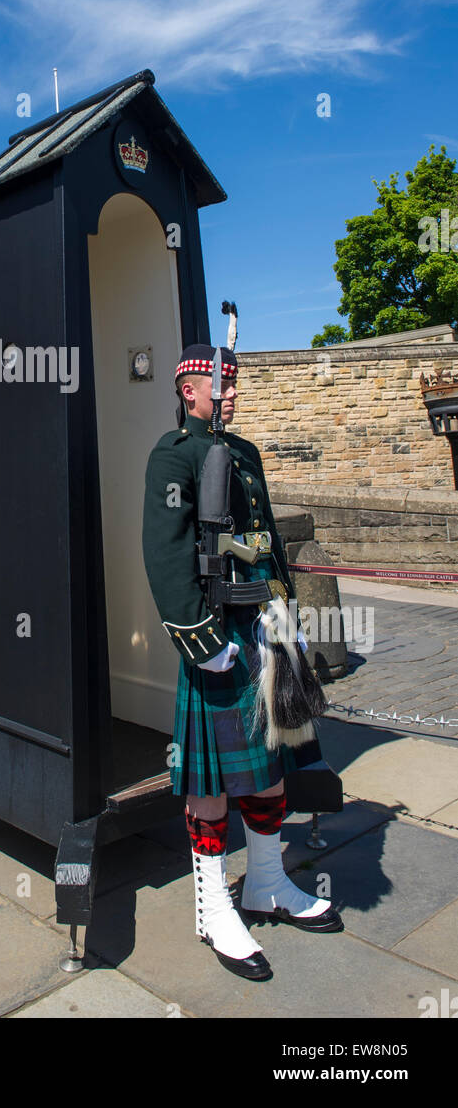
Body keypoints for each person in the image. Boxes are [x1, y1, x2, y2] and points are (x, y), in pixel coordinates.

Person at [142, 343, 343, 981]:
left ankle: (266, 882)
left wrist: (290, 623)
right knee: (211, 785)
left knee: (271, 769)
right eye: (219, 383)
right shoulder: (173, 456)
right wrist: (199, 641)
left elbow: (267, 543)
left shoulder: (246, 454)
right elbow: (165, 553)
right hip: (218, 633)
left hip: (263, 626)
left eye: (233, 382)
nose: (230, 393)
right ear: (188, 389)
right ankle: (214, 904)